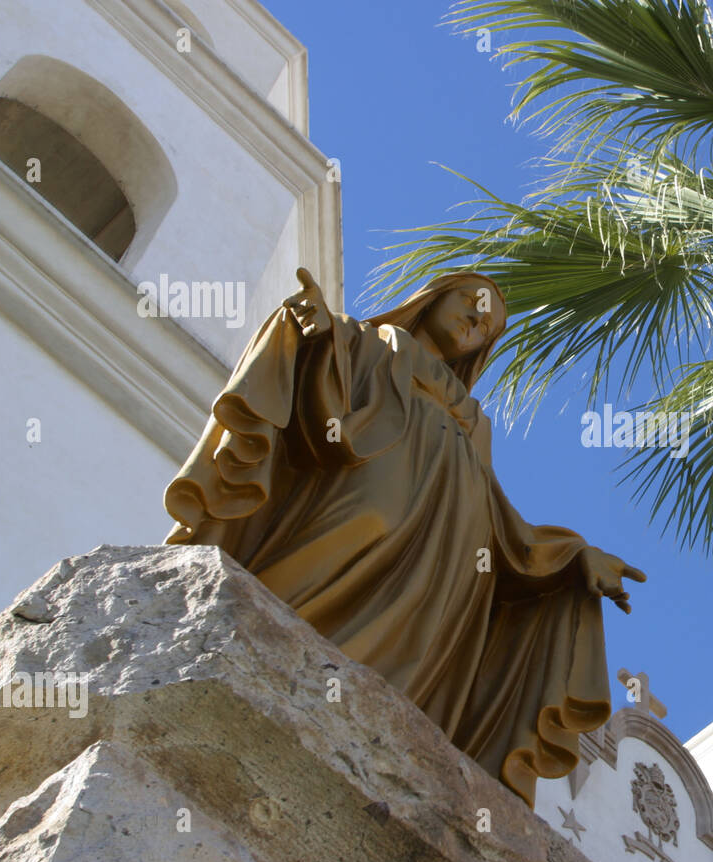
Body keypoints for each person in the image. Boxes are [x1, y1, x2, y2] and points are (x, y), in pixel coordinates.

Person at [163, 267, 645, 807]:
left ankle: (364, 731)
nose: (478, 318)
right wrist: (311, 329)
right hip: (368, 493)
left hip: (453, 560)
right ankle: (253, 643)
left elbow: (500, 518)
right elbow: (317, 380)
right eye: (471, 300)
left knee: (421, 636)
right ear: (432, 299)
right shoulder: (370, 339)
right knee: (360, 529)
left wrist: (574, 557)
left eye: (490, 323)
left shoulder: (474, 420)